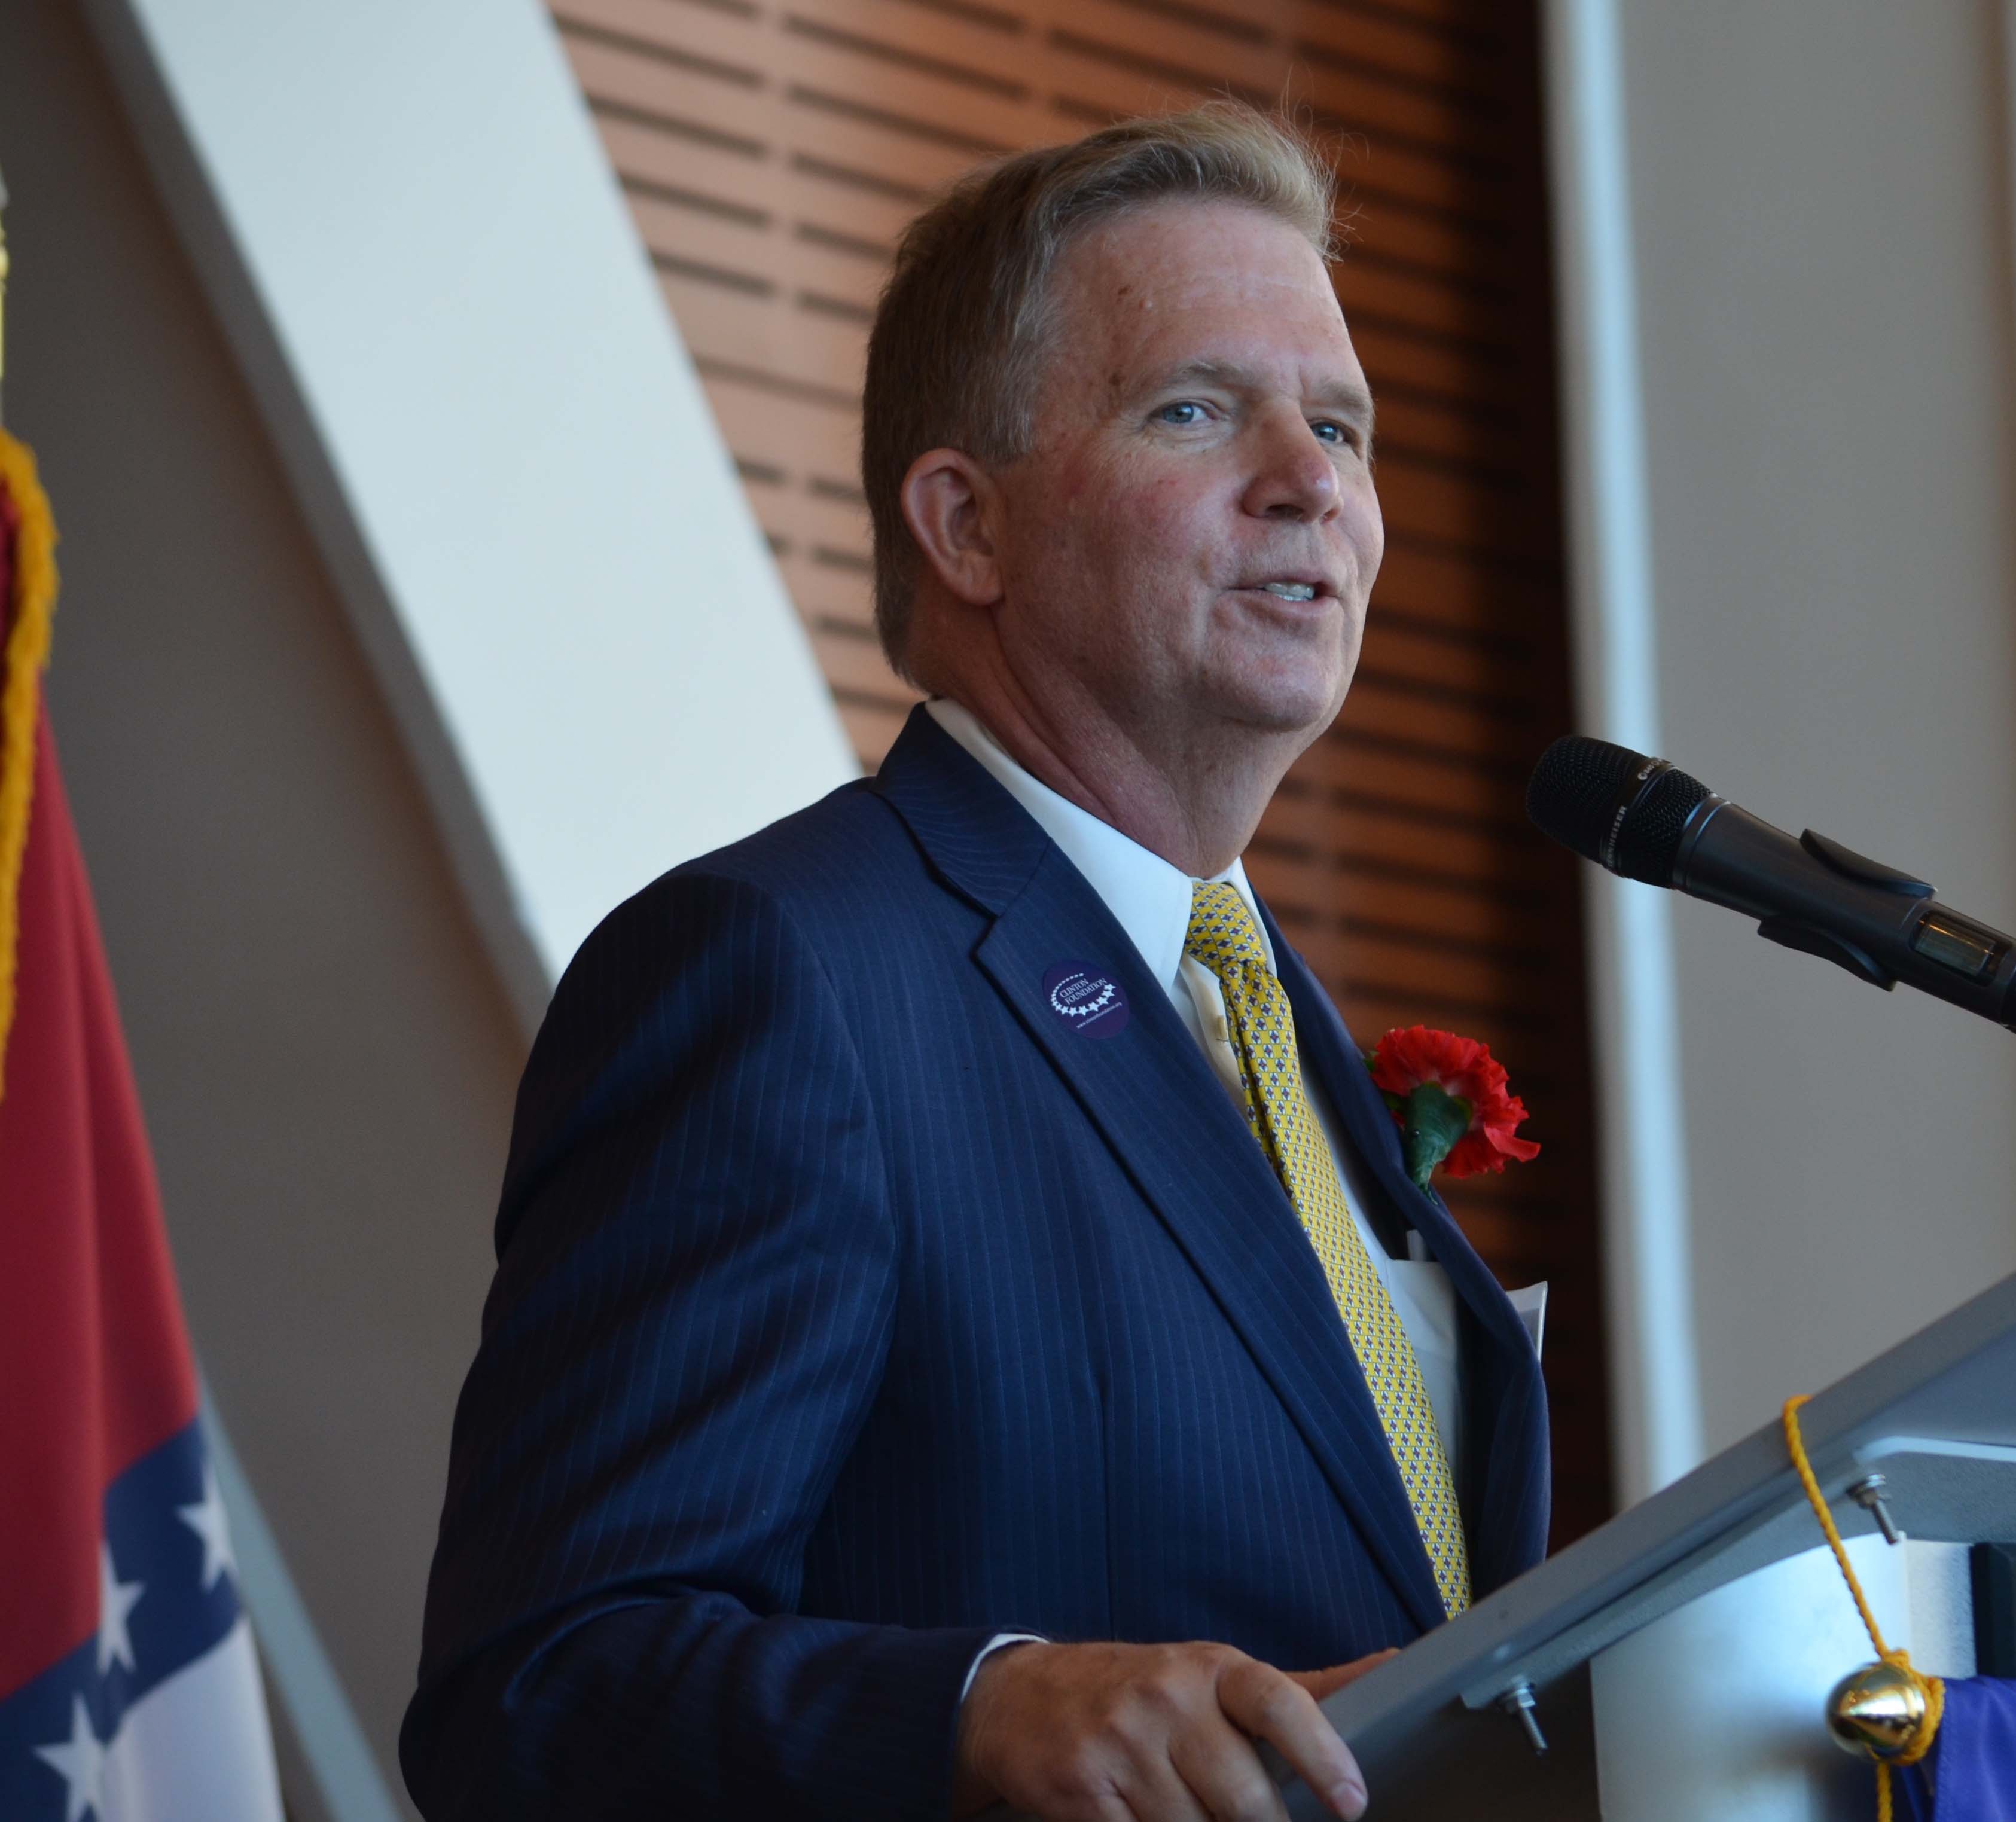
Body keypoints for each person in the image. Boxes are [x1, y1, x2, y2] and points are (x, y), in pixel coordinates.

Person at [400, 103, 1550, 1822]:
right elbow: (537, 1692)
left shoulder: (1264, 1019)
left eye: (1339, 425)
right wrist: (976, 1708)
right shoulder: (782, 976)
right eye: (1194, 410)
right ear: (967, 529)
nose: (1313, 480)